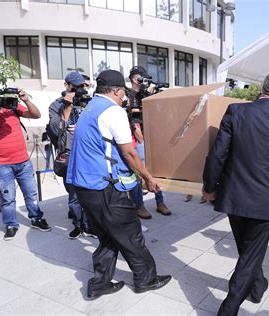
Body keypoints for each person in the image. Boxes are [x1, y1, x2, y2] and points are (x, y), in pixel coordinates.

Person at [66, 70, 171, 299]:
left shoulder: (89, 109)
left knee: (107, 235)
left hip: (84, 187)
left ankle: (100, 283)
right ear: (115, 90)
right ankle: (146, 279)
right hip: (104, 187)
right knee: (130, 233)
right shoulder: (113, 111)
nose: (125, 96)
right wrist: (148, 177)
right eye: (123, 91)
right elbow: (129, 153)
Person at [202, 72, 269, 316]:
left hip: (234, 195)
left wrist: (209, 186)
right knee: (249, 255)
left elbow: (217, 154)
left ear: (261, 89)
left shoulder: (236, 111)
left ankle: (257, 286)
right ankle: (228, 309)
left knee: (248, 251)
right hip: (263, 199)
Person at [46, 71, 96, 239]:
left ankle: (89, 225)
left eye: (82, 86)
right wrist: (67, 107)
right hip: (68, 156)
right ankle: (78, 224)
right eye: (75, 87)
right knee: (74, 197)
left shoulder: (89, 102)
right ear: (67, 86)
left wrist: (83, 127)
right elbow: (55, 129)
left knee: (89, 194)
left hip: (88, 154)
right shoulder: (56, 105)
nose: (79, 90)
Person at [0, 89, 51, 240]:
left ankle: (36, 218)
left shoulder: (12, 107)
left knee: (31, 193)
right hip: (1, 164)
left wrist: (26, 100)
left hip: (23, 161)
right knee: (7, 197)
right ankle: (11, 224)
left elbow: (36, 115)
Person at [127, 65, 171, 218]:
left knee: (156, 170)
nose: (144, 81)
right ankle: (139, 205)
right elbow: (131, 118)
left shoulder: (144, 95)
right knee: (139, 172)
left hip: (151, 135)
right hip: (138, 138)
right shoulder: (128, 94)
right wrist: (139, 135)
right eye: (142, 78)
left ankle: (160, 202)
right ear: (134, 79)